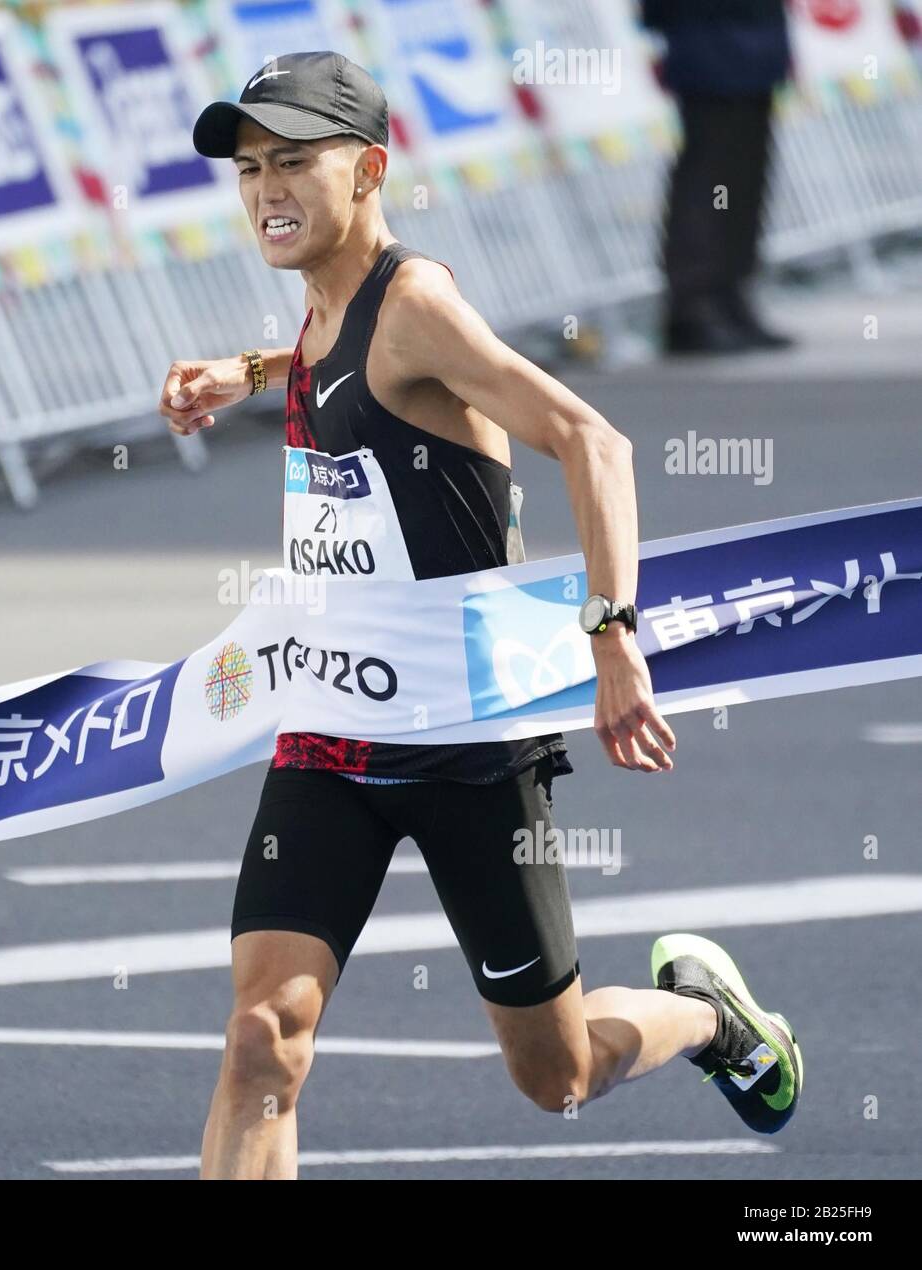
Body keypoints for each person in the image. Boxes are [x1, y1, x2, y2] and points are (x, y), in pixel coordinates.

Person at [158, 51, 802, 1179]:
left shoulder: (416, 303)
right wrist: (250, 370)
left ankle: (706, 1016)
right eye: (250, 167)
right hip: (331, 729)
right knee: (263, 1036)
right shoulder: (318, 303)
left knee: (553, 1076)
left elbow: (592, 442)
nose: (266, 190)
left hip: (466, 743)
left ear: (367, 170)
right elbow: (342, 367)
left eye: (295, 163)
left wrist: (613, 637)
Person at [643, 0, 795, 353]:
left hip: (753, 43)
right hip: (709, 43)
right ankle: (695, 307)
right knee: (711, 182)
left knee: (743, 183)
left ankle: (730, 297)